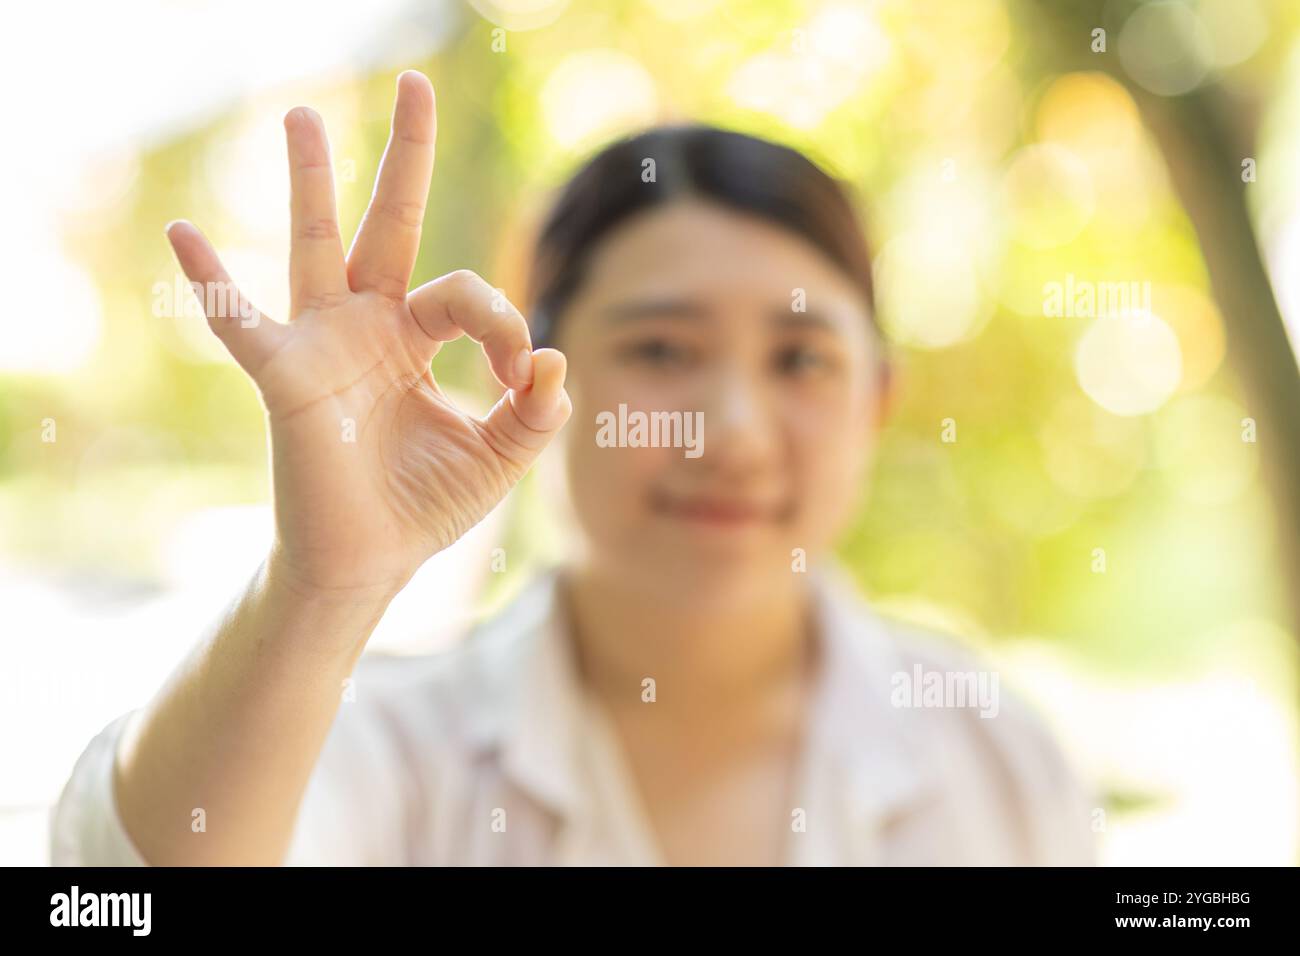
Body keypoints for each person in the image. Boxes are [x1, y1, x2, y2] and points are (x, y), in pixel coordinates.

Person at [51, 70, 1095, 866]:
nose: (729, 430)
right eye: (659, 349)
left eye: (799, 360)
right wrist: (318, 586)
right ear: (529, 379)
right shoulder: (389, 745)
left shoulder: (994, 752)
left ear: (876, 401)